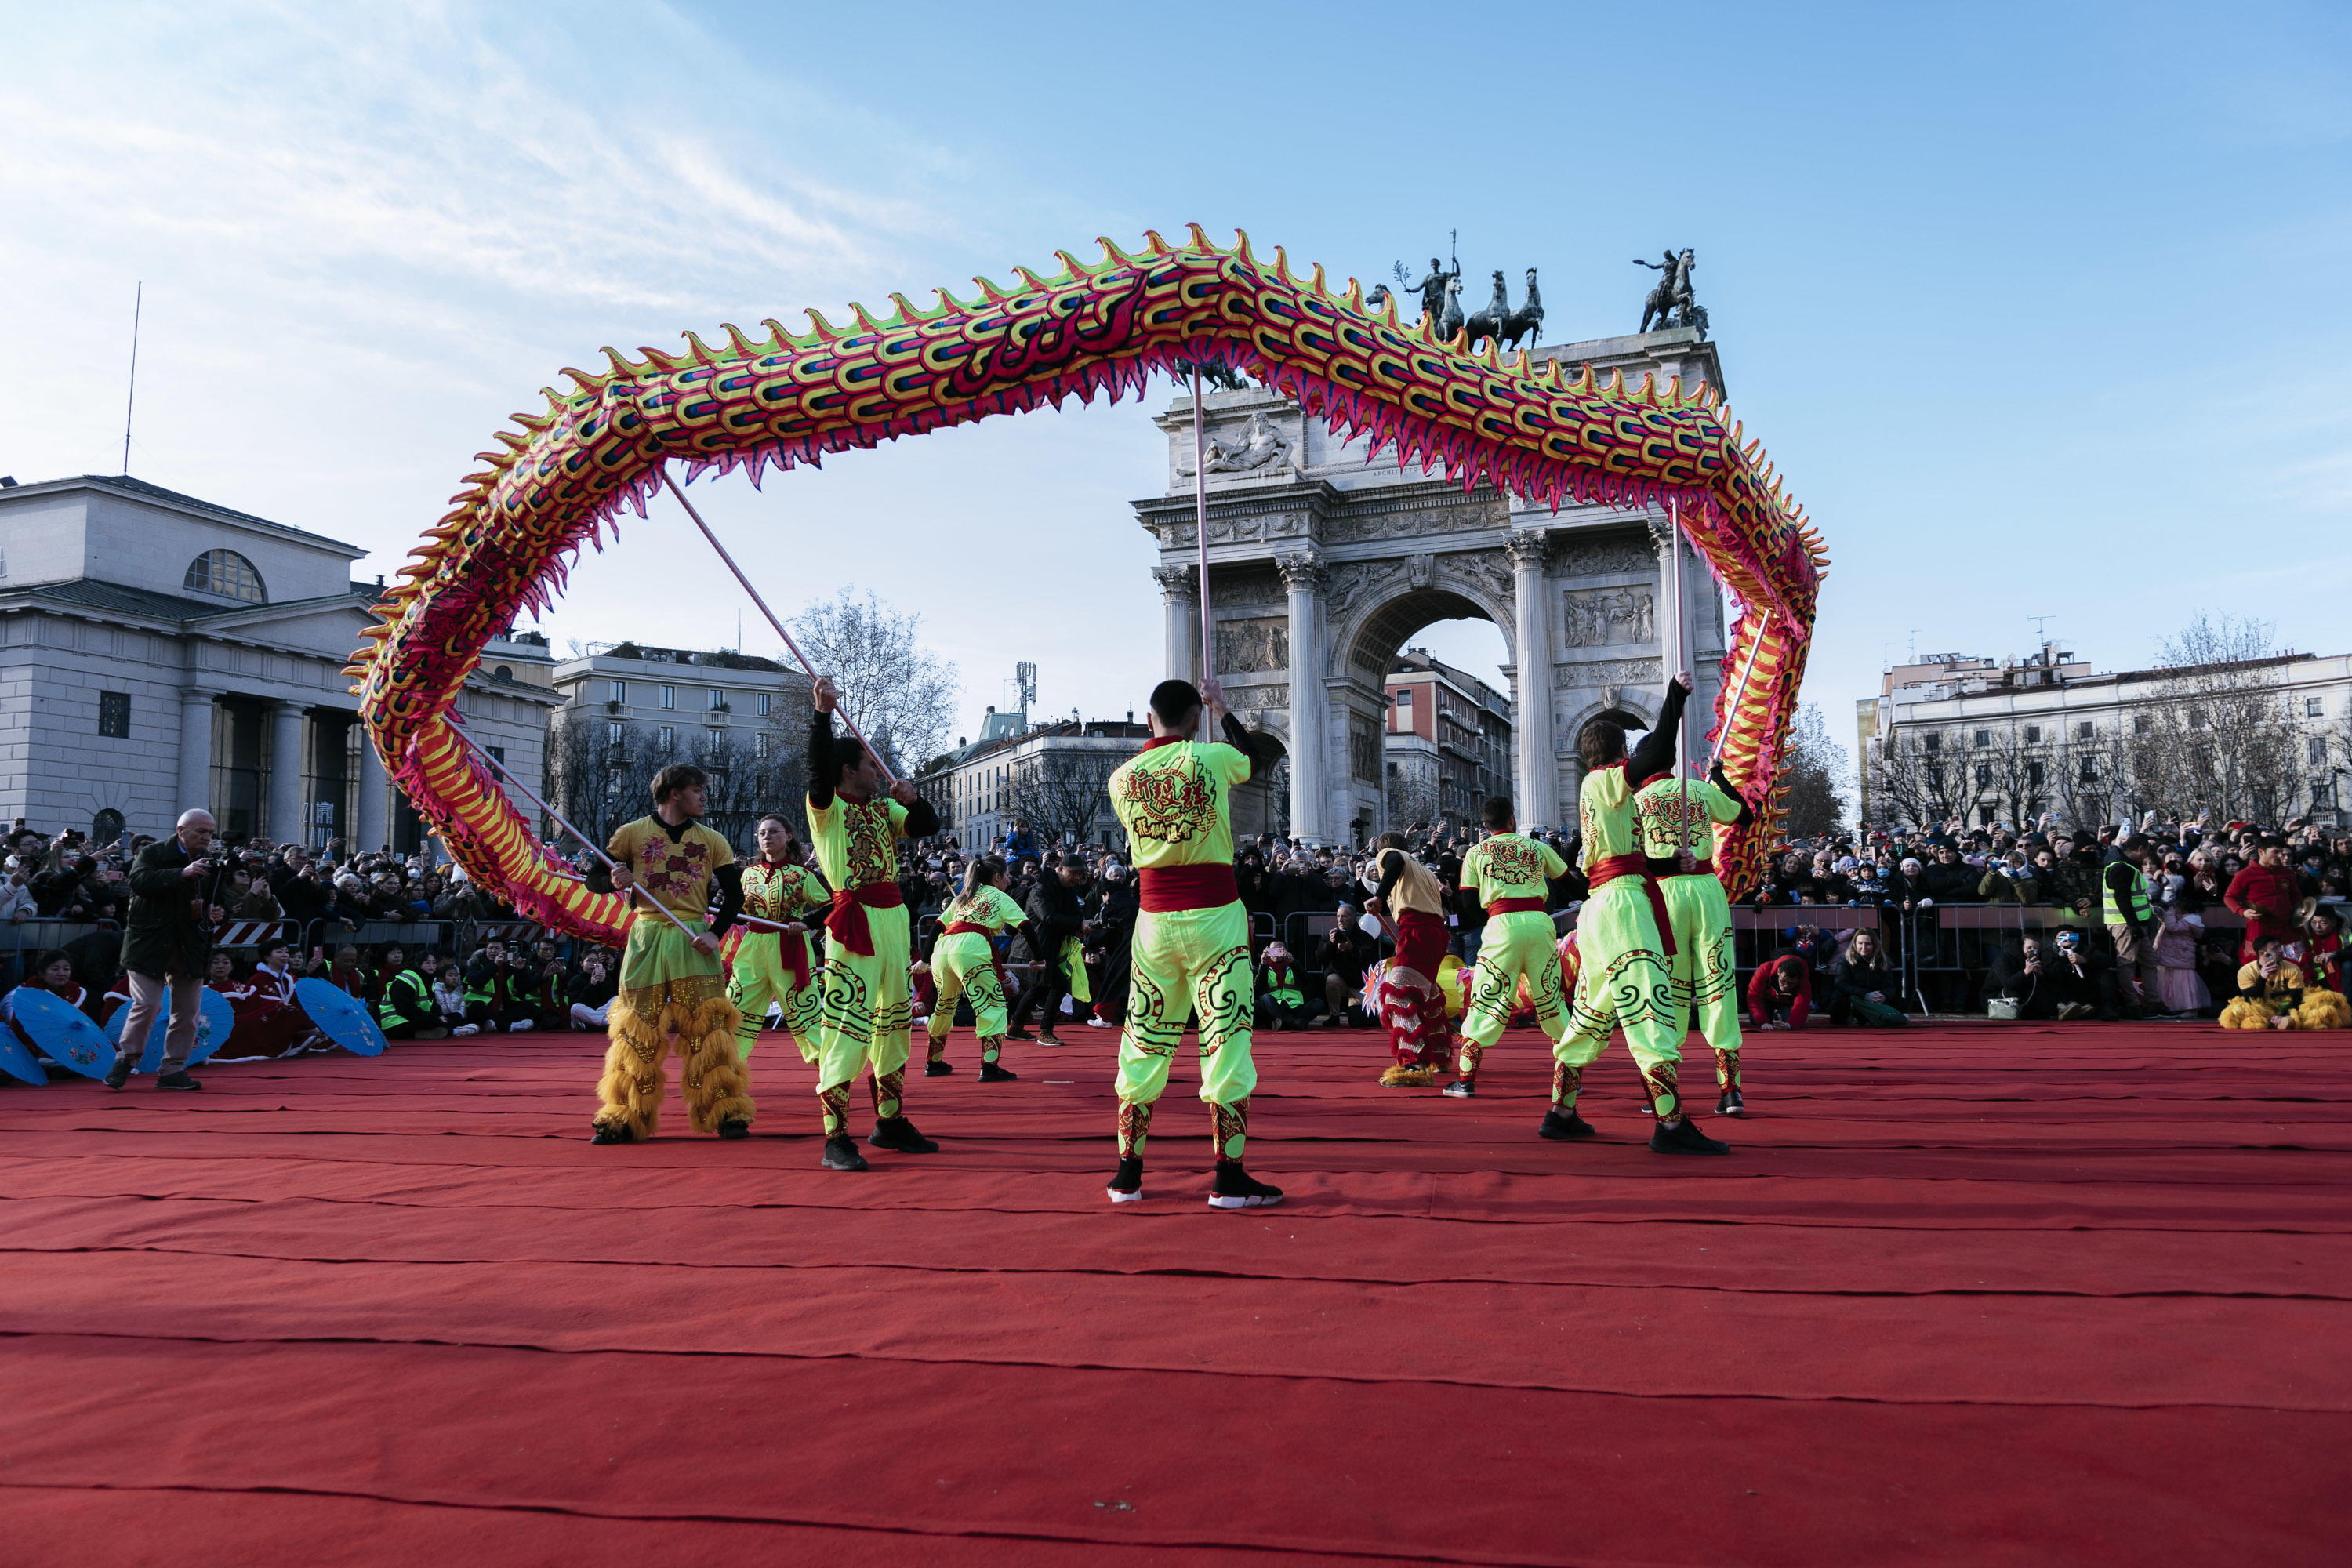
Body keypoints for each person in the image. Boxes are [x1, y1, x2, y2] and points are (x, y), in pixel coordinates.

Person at [1103, 677, 1283, 1209]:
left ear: (1150, 716)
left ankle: (1127, 1174)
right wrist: (1225, 711)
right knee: (1225, 1037)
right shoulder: (1210, 758)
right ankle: (1228, 1175)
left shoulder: (1122, 778)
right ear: (1194, 717)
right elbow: (1252, 760)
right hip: (1213, 917)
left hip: (1155, 921)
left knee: (1144, 1037)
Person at [1549, 674, 1730, 1153]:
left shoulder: (1606, 797)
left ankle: (1561, 1110)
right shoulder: (1603, 781)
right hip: (1624, 906)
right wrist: (1674, 696)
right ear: (1615, 753)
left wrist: (1671, 863)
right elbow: (1654, 757)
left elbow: (1618, 856)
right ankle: (1670, 1125)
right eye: (1626, 749)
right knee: (1649, 1006)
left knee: (1593, 1011)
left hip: (1607, 903)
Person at [805, 677, 943, 1171]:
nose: (876, 768)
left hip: (894, 919)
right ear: (849, 770)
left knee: (895, 1023)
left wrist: (915, 798)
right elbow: (818, 771)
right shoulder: (828, 810)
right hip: (855, 922)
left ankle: (889, 1120)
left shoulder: (885, 809)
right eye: (869, 763)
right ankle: (835, 1135)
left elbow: (928, 827)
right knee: (847, 1023)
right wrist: (822, 715)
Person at [583, 763, 753, 1145]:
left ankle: (726, 1111)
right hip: (646, 938)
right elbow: (593, 880)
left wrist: (716, 934)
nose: (705, 797)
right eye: (698, 790)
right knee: (638, 1028)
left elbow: (734, 896)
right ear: (675, 793)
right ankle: (624, 1116)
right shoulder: (630, 834)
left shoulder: (713, 839)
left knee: (708, 1029)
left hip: (693, 936)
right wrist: (612, 881)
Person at [1633, 758, 1758, 1115]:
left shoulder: (1637, 801)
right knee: (1718, 981)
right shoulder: (1701, 790)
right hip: (1706, 891)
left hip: (1665, 893)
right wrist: (1718, 776)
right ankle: (1730, 1089)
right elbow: (1743, 815)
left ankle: (1664, 1089)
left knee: (1667, 987)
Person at [1443, 797, 1572, 1098]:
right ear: (1513, 820)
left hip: (1501, 926)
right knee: (1551, 1001)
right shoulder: (1538, 847)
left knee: (1486, 1000)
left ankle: (1465, 1081)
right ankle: (1568, 1080)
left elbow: (1468, 903)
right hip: (1540, 924)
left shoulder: (1475, 853)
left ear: (1486, 826)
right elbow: (1568, 881)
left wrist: (1491, 920)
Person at [104, 808, 228, 1091]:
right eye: (201, 831)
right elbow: (138, 882)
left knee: (187, 1013)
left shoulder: (212, 863)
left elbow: (223, 896)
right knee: (147, 1004)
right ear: (181, 830)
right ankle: (126, 1059)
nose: (207, 837)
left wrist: (219, 911)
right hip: (149, 944)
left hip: (190, 945)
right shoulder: (152, 853)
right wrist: (180, 874)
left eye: (210, 832)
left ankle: (173, 1070)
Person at [725, 814, 830, 1065]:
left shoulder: (802, 875)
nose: (767, 837)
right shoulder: (748, 874)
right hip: (753, 949)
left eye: (773, 832)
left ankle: (832, 1080)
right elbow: (738, 915)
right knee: (734, 1010)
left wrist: (807, 922)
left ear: (789, 837)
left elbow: (831, 906)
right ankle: (726, 1076)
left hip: (789, 948)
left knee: (805, 1014)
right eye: (762, 833)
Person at [923, 855, 1027, 1082]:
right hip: (971, 949)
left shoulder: (961, 898)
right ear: (998, 876)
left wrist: (923, 960)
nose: (1009, 880)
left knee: (944, 1006)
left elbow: (935, 929)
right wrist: (1039, 958)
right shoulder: (999, 897)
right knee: (993, 1007)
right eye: (1006, 875)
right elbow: (1025, 927)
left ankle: (933, 1061)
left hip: (943, 951)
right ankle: (989, 1067)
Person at [1363, 831, 1453, 1087]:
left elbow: (1393, 863)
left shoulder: (1392, 856)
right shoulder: (1423, 869)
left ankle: (1415, 1064)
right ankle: (1439, 1055)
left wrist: (1380, 895)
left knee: (1399, 992)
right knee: (1428, 991)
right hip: (1435, 931)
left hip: (1418, 929)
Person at [1011, 858, 1094, 1044]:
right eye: (1073, 873)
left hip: (1047, 948)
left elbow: (1075, 916)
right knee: (1058, 985)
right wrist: (1078, 924)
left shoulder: (1068, 891)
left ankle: (1016, 1027)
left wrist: (1081, 925)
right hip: (1033, 949)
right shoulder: (1040, 889)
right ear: (1061, 869)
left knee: (1039, 988)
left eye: (1080, 874)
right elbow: (1048, 917)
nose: (1077, 877)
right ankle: (1045, 1032)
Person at [2221, 939, 2348, 1030]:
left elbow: (2297, 998)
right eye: (2275, 948)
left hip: (2288, 1006)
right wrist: (2262, 977)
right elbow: (2251, 999)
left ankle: (2286, 1021)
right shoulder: (2246, 971)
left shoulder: (2292, 968)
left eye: (2280, 947)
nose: (2281, 950)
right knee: (2237, 1010)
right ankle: (2282, 1022)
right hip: (2262, 1009)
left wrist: (2286, 1014)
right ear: (2262, 953)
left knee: (2323, 1007)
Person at [2101, 837, 2161, 1017]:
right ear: (2140, 848)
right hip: (2126, 923)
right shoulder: (2122, 867)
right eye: (2146, 852)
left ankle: (2153, 1002)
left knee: (2150, 961)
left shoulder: (2121, 865)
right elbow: (2123, 899)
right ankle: (2133, 1005)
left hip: (2133, 923)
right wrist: (2133, 925)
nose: (2146, 857)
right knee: (2127, 963)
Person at [2224, 840, 2299, 962]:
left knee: (2291, 961)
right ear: (2261, 852)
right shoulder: (2245, 874)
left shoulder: (2288, 873)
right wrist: (2243, 912)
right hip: (2260, 927)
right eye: (2275, 852)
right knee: (2264, 962)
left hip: (2286, 926)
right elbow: (2229, 897)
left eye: (2281, 852)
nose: (2281, 856)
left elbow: (2296, 896)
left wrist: (2301, 913)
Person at [373, 945, 447, 1041]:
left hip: (414, 1018)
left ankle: (429, 1031)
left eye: (434, 963)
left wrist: (439, 1015)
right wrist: (433, 1019)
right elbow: (405, 1009)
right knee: (435, 1022)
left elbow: (432, 1004)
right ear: (418, 964)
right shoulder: (406, 979)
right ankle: (447, 1031)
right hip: (394, 1022)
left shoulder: (428, 980)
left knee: (454, 1016)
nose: (432, 966)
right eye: (427, 963)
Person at [1252, 938, 1320, 1031]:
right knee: (1265, 998)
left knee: (1318, 1003)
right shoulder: (1264, 968)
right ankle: (1295, 1023)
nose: (1276, 953)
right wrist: (1264, 965)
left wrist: (1293, 962)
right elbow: (1257, 990)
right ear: (1268, 952)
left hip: (1295, 1007)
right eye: (1273, 950)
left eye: (1280, 949)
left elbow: (1307, 981)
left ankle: (1284, 1023)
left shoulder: (1293, 965)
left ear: (1286, 951)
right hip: (1274, 1008)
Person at [1746, 952, 1812, 1030]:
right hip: (1767, 998)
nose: (1786, 986)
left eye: (1791, 984)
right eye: (1783, 981)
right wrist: (1762, 1022)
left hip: (1788, 1001)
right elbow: (1753, 995)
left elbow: (1803, 1003)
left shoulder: (1803, 979)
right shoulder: (1764, 969)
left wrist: (1789, 1025)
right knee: (1755, 1021)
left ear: (1799, 979)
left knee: (1792, 1022)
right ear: (1778, 971)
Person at [568, 950, 617, 1031]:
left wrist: (603, 983)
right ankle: (607, 1022)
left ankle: (591, 1025)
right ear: (581, 963)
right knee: (575, 1007)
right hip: (582, 1017)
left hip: (600, 1013)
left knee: (617, 998)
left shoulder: (606, 978)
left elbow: (609, 1001)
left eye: (595, 961)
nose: (593, 964)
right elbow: (577, 1003)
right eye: (589, 961)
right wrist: (591, 985)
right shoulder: (575, 980)